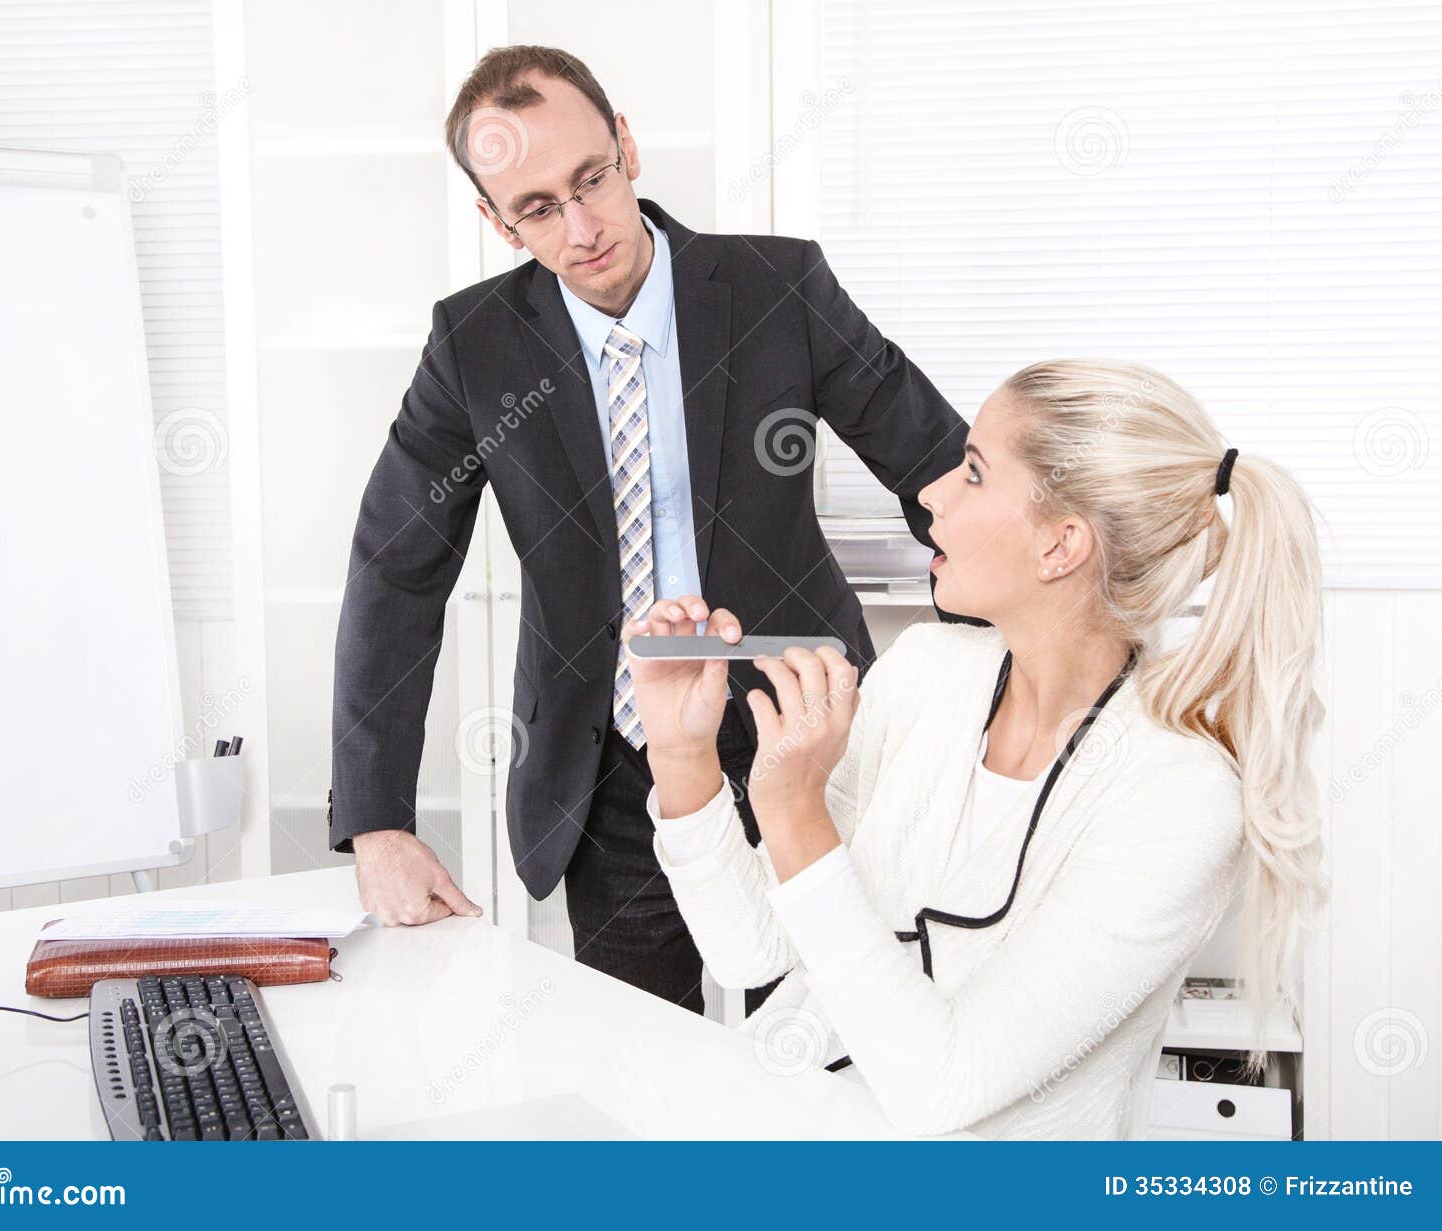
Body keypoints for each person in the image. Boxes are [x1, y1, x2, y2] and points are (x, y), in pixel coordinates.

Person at [330, 45, 969, 1016]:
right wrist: (377, 822)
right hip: (612, 771)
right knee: (640, 1065)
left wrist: (1021, 662)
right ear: (496, 221)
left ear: (626, 145)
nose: (582, 229)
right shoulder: (474, 346)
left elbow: (940, 468)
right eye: (538, 208)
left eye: (592, 179)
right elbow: (396, 568)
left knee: (822, 1047)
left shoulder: (778, 286)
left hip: (800, 736)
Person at [625, 359, 1327, 1136]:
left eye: (973, 472)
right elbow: (748, 952)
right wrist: (681, 752)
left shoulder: (1181, 797)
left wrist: (795, 813)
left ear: (1060, 544)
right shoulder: (924, 671)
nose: (932, 493)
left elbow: (943, 1088)